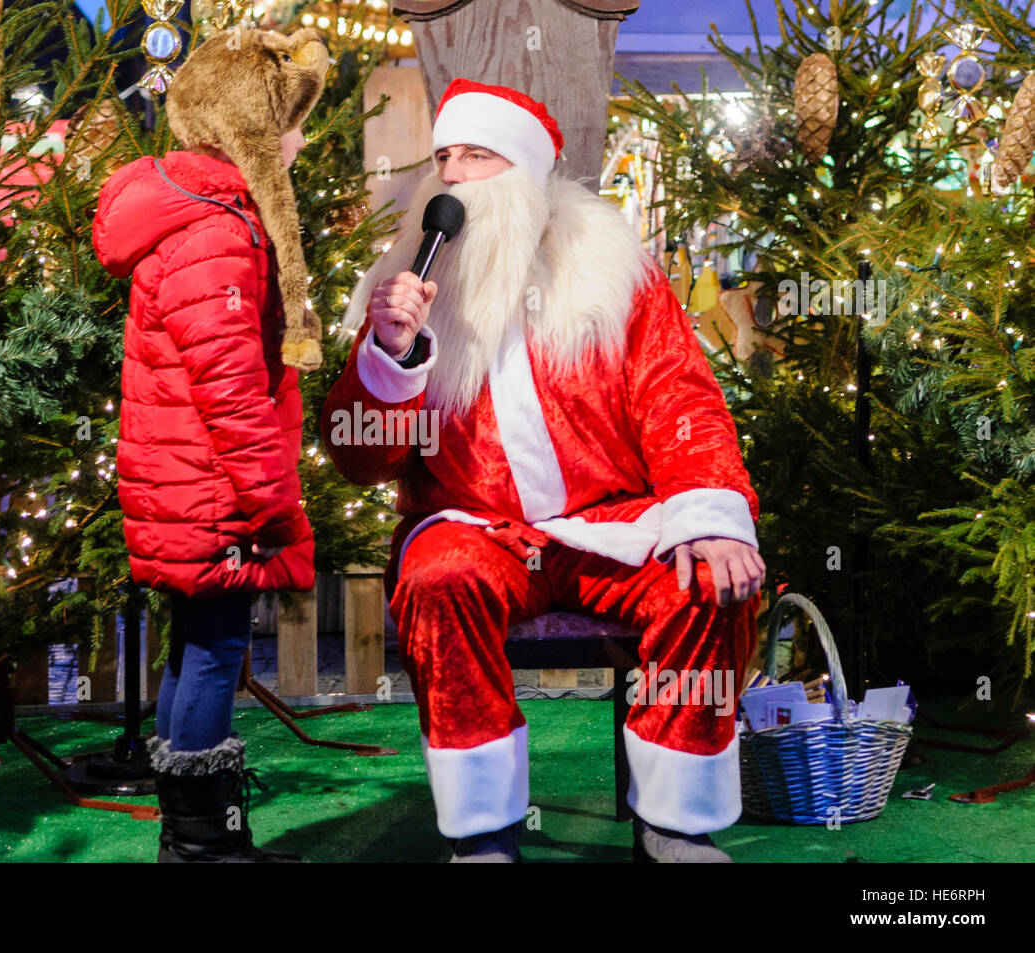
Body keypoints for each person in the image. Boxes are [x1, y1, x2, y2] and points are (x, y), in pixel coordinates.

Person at [322, 78, 766, 863]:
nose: (453, 175)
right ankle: (484, 830)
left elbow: (677, 397)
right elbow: (360, 459)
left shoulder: (615, 272)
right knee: (436, 577)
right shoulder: (403, 287)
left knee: (707, 578)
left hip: (613, 527)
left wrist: (710, 511)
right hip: (477, 529)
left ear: (524, 173)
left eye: (477, 156)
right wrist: (390, 357)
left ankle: (673, 821)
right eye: (445, 156)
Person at [92, 26, 329, 863]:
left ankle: (194, 838)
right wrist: (274, 503)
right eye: (287, 121)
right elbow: (230, 390)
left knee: (197, 644)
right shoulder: (220, 232)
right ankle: (199, 846)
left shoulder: (202, 213)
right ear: (249, 126)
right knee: (216, 647)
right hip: (209, 489)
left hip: (184, 483)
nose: (299, 140)